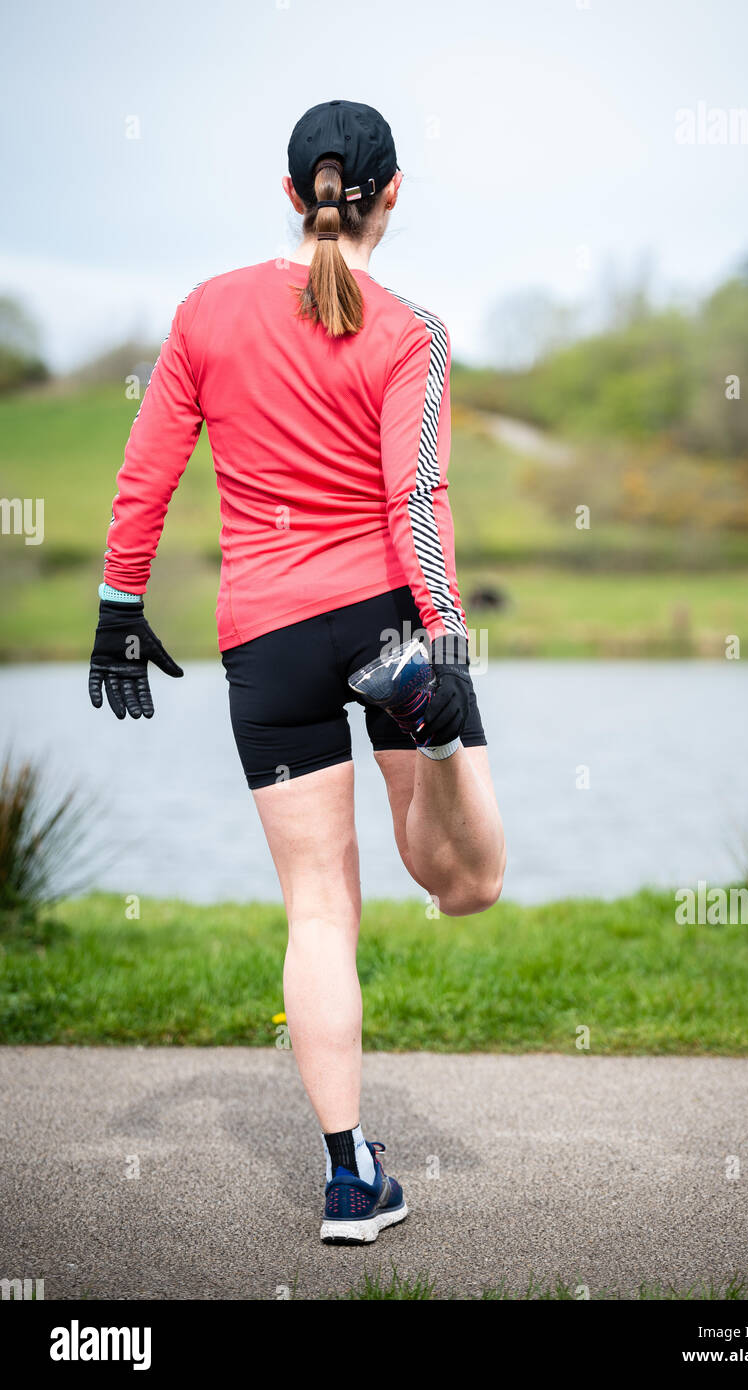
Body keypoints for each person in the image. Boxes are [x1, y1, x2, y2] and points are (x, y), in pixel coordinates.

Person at [88, 99, 506, 1244]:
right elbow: (415, 498)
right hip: (382, 625)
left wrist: (122, 604)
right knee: (467, 883)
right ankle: (432, 725)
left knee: (319, 908)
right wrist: (450, 641)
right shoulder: (409, 327)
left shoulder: (205, 312)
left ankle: (346, 1181)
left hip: (264, 639)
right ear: (395, 193)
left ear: (292, 192)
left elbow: (149, 468)